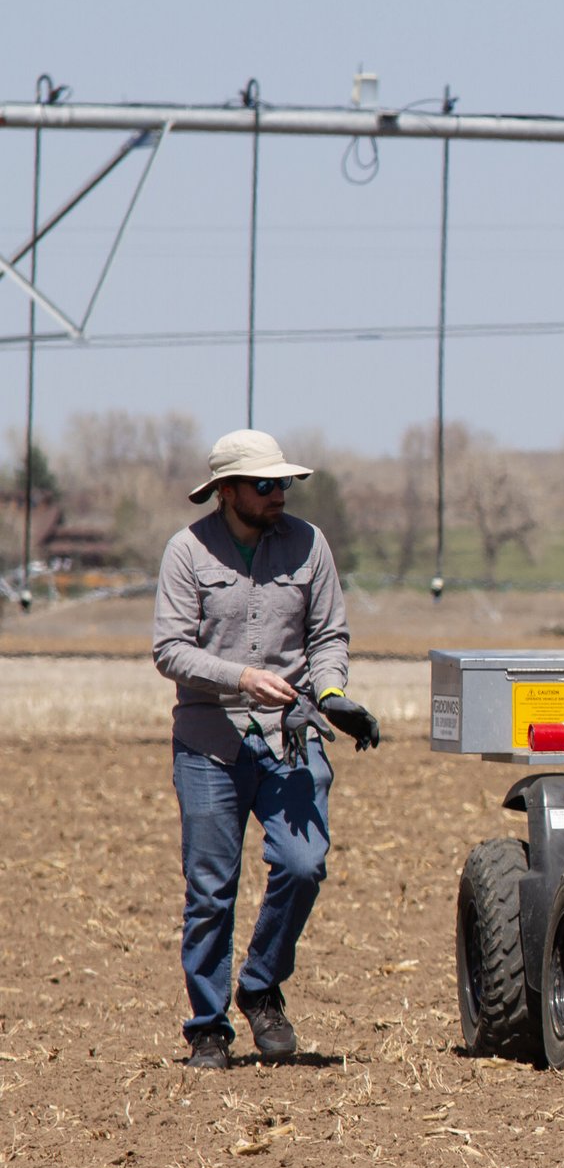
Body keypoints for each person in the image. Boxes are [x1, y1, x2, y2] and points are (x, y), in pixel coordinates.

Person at [151, 430, 381, 1071]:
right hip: (209, 743)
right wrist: (241, 678)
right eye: (264, 484)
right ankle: (207, 1029)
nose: (279, 493)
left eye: (283, 483)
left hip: (292, 736)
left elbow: (329, 635)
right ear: (226, 492)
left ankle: (260, 987)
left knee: (304, 864)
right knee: (211, 892)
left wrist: (331, 692)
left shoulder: (310, 544)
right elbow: (170, 650)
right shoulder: (187, 552)